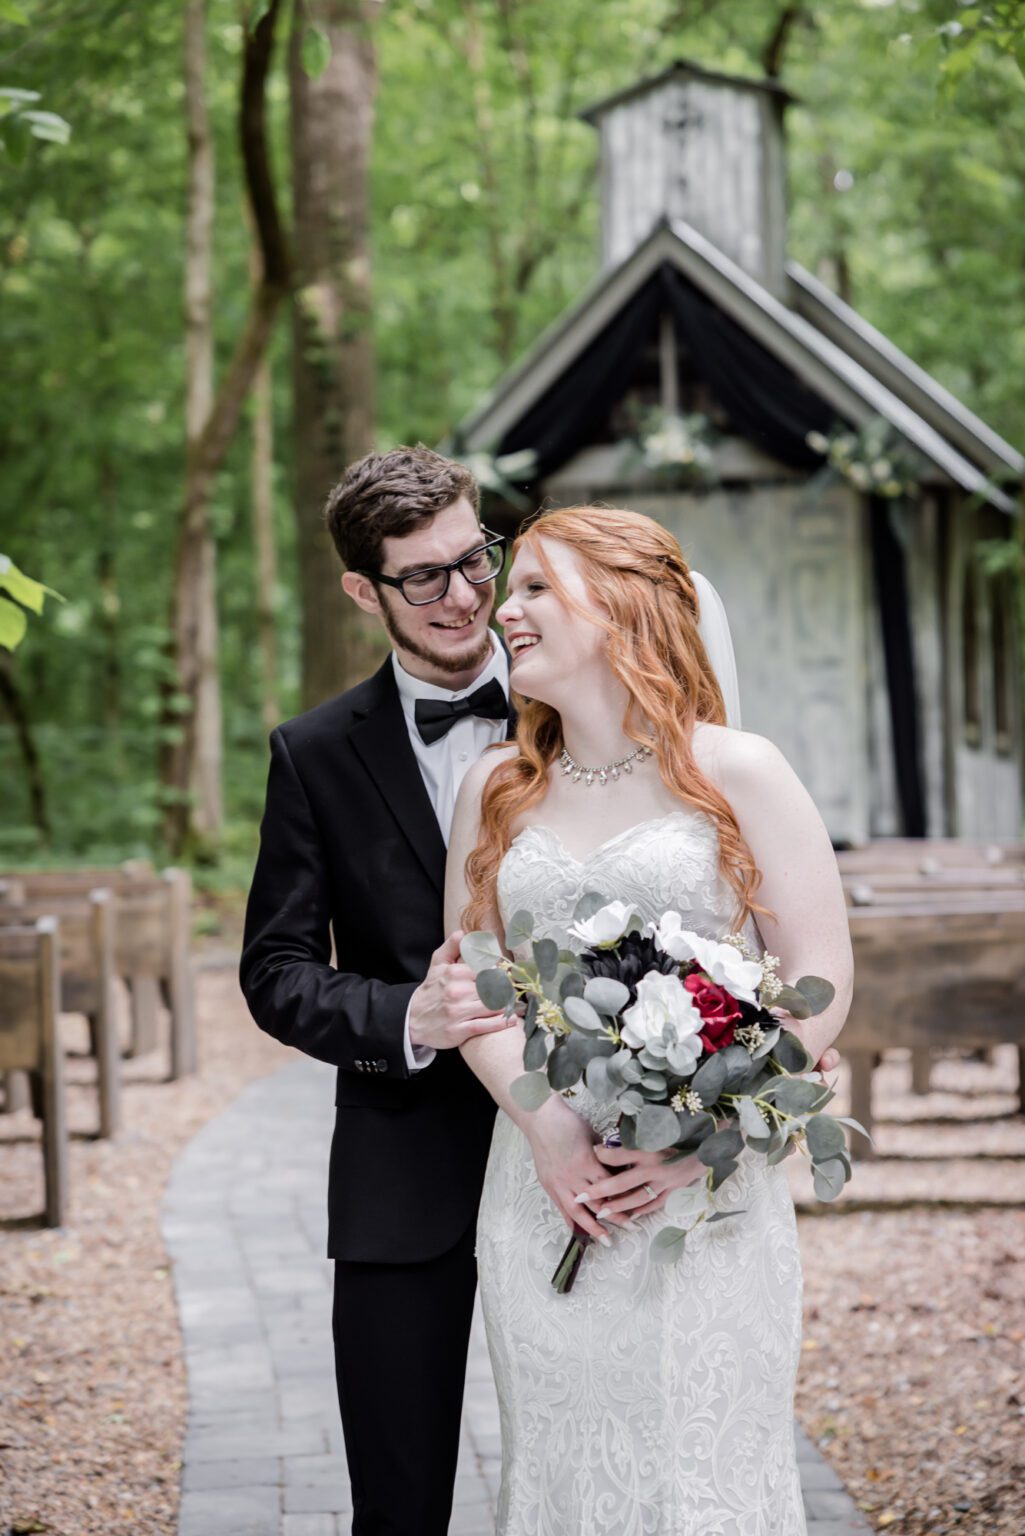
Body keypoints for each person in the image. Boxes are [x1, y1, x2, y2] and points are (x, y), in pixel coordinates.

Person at [444, 505, 854, 1536]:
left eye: (535, 586)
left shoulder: (738, 770)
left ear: (621, 603)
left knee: (701, 1474)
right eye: (510, 588)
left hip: (704, 1196)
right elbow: (474, 983)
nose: (504, 609)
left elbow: (819, 976)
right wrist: (546, 1130)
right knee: (557, 1472)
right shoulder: (493, 786)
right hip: (544, 1189)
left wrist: (704, 1137)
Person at [239, 445, 524, 1536]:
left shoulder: (585, 709)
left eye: (474, 558)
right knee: (398, 1508)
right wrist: (406, 1015)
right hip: (402, 1170)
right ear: (364, 592)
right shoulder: (313, 753)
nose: (463, 595)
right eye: (423, 577)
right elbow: (275, 971)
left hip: (593, 1153)